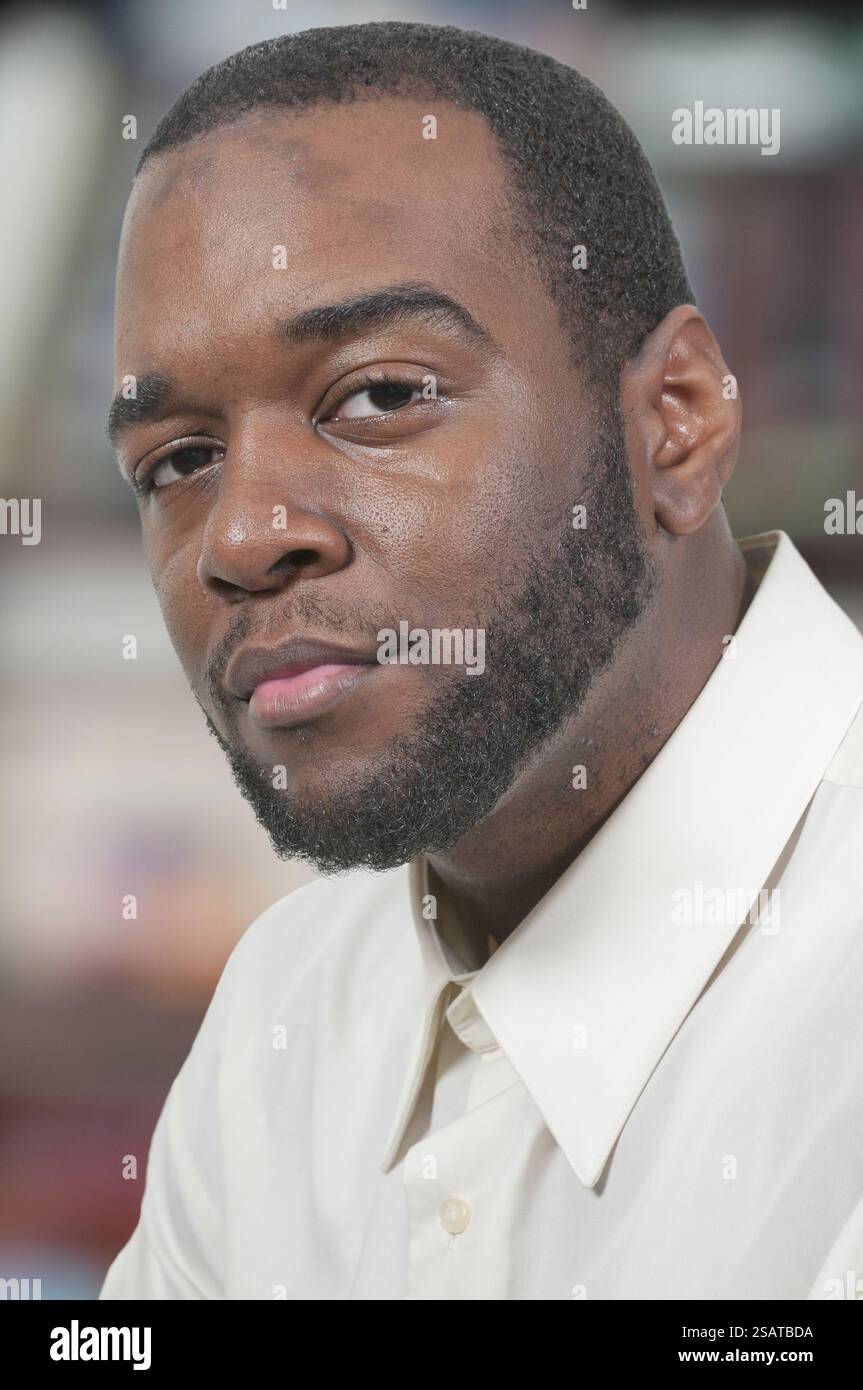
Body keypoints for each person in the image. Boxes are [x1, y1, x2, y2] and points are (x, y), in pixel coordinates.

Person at [99, 21, 863, 1300]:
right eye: (177, 462)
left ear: (672, 423)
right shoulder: (285, 1010)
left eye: (381, 397)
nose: (240, 536)